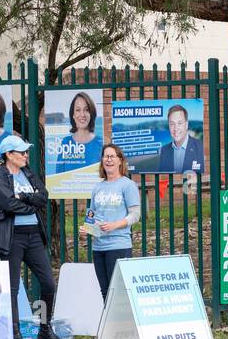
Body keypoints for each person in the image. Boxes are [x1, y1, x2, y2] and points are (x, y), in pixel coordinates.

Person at [0, 134, 63, 339]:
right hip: (12, 237)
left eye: (26, 152)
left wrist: (25, 198)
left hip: (34, 235)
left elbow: (43, 196)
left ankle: (45, 328)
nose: (26, 155)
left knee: (48, 283)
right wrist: (30, 204)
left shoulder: (28, 173)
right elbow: (8, 203)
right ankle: (14, 332)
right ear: (9, 155)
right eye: (22, 152)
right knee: (12, 287)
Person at [81, 144, 142, 300]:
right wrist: (87, 229)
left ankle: (122, 323)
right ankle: (110, 324)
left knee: (119, 292)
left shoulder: (127, 185)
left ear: (120, 160)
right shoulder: (97, 188)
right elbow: (91, 215)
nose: (108, 160)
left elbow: (135, 215)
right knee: (105, 292)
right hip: (98, 247)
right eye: (105, 156)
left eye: (112, 156)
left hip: (119, 245)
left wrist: (115, 225)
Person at [54, 92, 102, 173]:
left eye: (86, 110)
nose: (82, 114)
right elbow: (58, 173)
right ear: (73, 115)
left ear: (91, 114)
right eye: (78, 110)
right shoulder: (66, 143)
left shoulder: (100, 143)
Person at [156, 104, 205, 174]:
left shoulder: (200, 147)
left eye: (180, 123)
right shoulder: (164, 150)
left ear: (186, 125)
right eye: (172, 124)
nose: (176, 129)